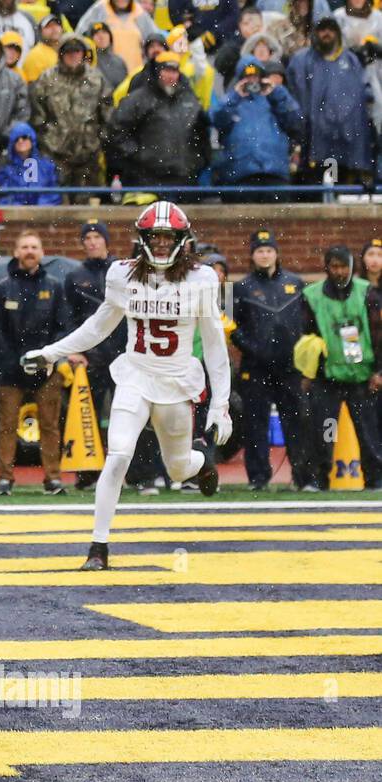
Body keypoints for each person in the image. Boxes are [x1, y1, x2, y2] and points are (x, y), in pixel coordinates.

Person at [20, 202, 232, 570]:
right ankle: (98, 548)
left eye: (168, 238)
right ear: (143, 238)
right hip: (135, 375)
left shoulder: (201, 279)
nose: (162, 244)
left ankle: (202, 464)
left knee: (178, 469)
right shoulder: (123, 274)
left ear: (182, 240)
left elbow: (214, 343)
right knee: (117, 455)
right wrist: (52, 352)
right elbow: (99, 326)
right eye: (155, 237)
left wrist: (220, 404)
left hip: (176, 380)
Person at [230, 229, 313, 491]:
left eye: (269, 250)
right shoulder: (241, 288)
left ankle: (302, 477)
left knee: (296, 421)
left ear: (277, 253)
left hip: (290, 368)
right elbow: (233, 328)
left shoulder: (295, 283)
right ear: (252, 255)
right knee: (255, 423)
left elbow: (307, 322)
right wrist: (254, 349)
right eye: (259, 251)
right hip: (255, 368)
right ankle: (258, 477)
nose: (264, 255)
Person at [0, 230, 71, 495]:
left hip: (47, 369)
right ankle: (4, 479)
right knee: (7, 426)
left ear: (42, 252)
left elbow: (63, 328)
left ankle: (53, 479)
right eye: (24, 246)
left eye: (34, 246)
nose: (29, 251)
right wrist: (14, 361)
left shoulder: (55, 287)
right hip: (10, 370)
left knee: (50, 425)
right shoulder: (2, 287)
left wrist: (46, 357)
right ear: (16, 252)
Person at [301, 245, 382, 489]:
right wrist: (309, 372)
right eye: (334, 266)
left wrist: (379, 371)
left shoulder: (367, 293)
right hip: (328, 378)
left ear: (352, 267)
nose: (339, 272)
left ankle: (376, 479)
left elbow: (379, 335)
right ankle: (318, 479)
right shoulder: (312, 296)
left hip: (362, 377)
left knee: (367, 433)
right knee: (326, 432)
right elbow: (306, 336)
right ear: (327, 268)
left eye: (344, 266)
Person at [63, 219, 125, 491]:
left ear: (106, 240)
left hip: (123, 355)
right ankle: (89, 473)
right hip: (91, 356)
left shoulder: (122, 272)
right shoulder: (74, 277)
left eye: (96, 236)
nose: (92, 241)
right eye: (86, 237)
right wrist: (74, 349)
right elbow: (69, 319)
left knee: (128, 416)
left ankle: (136, 474)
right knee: (86, 415)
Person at [286, 17, 373, 191]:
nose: (327, 34)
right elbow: (294, 99)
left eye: (331, 29)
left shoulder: (351, 61)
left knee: (342, 197)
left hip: (347, 144)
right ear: (314, 33)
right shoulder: (301, 60)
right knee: (314, 199)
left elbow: (364, 99)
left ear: (338, 33)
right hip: (313, 145)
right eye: (322, 30)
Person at [106, 51, 210, 194]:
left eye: (174, 71)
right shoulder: (139, 99)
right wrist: (137, 154)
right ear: (157, 72)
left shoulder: (189, 99)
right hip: (148, 179)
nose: (170, 76)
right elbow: (115, 129)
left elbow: (202, 133)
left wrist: (197, 162)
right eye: (166, 70)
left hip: (184, 178)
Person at [29, 32, 113, 197]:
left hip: (88, 154)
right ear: (61, 54)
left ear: (83, 53)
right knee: (56, 205)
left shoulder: (96, 79)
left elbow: (107, 114)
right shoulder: (47, 79)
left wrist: (99, 139)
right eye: (68, 51)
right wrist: (46, 140)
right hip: (55, 153)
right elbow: (37, 114)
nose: (73, 55)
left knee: (87, 206)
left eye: (77, 51)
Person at [210, 56, 301, 202]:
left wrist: (276, 92)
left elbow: (295, 121)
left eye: (256, 77)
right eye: (247, 78)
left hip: (275, 174)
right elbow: (216, 119)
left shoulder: (275, 100)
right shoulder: (232, 102)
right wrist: (235, 95)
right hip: (241, 174)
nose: (252, 81)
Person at [75, 0, 156, 71]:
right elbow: (80, 35)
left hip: (136, 72)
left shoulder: (139, 12)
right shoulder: (100, 8)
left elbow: (155, 39)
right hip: (107, 72)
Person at [0, 122, 60, 204]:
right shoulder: (4, 167)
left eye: (24, 137)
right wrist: (19, 210)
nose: (20, 141)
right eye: (16, 139)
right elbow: (2, 196)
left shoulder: (46, 165)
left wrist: (39, 209)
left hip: (42, 214)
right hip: (14, 214)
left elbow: (53, 193)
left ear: (32, 140)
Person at [85, 20, 128, 89]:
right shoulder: (88, 61)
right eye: (96, 34)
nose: (101, 37)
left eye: (104, 32)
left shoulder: (119, 61)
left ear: (110, 36)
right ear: (90, 39)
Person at [21, 13, 62, 82]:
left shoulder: (67, 49)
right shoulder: (35, 55)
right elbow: (33, 86)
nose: (54, 28)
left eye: (57, 25)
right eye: (48, 26)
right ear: (40, 32)